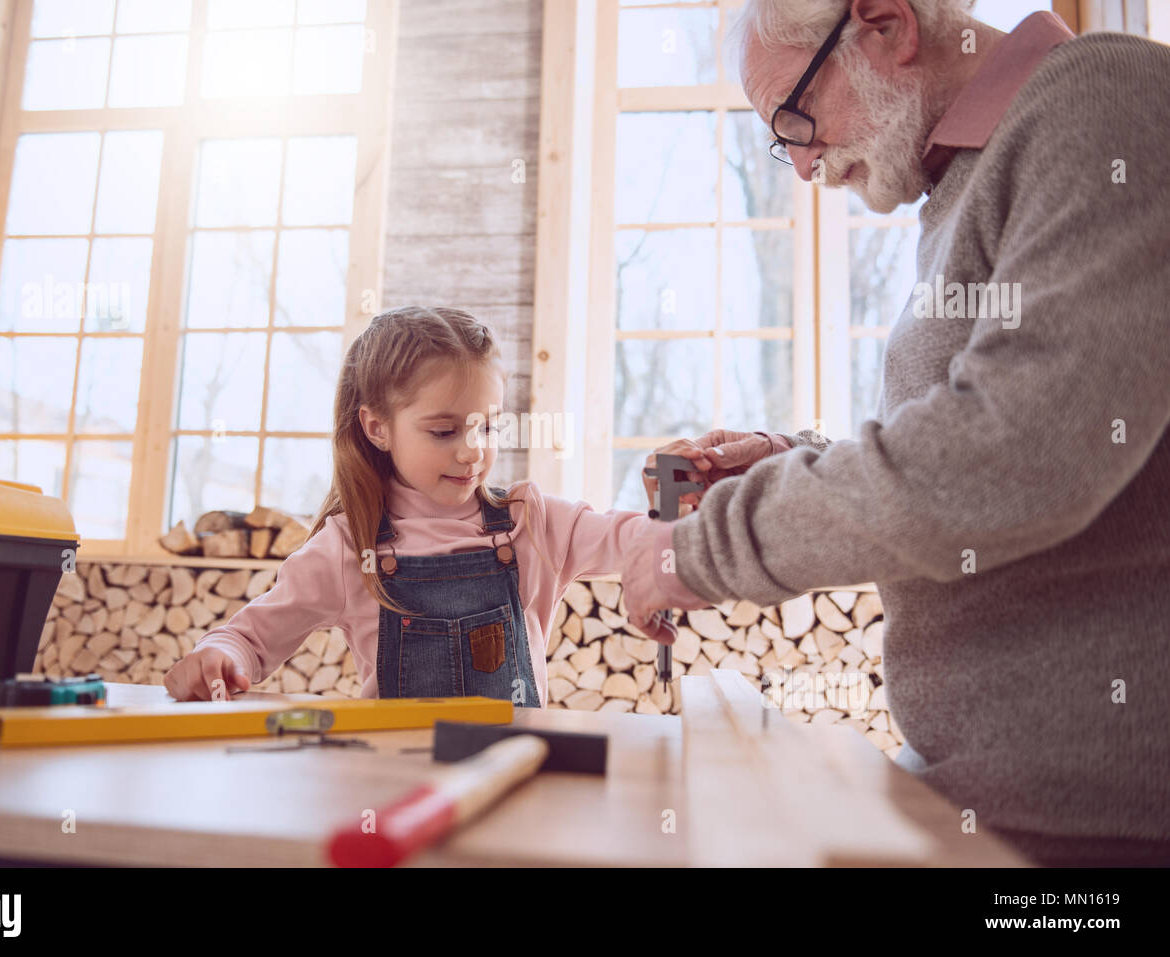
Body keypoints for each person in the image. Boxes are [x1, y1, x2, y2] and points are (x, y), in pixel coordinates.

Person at [621, 0, 1170, 866]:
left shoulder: (1104, 100)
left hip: (1095, 832)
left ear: (884, 24)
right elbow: (956, 448)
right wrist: (791, 460)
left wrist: (704, 549)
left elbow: (1017, 452)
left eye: (797, 121)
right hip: (989, 801)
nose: (803, 166)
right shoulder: (961, 184)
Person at [164, 306, 692, 708]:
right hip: (392, 789)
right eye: (443, 430)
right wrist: (221, 656)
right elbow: (249, 638)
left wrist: (680, 517)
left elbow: (631, 539)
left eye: (488, 426)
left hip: (513, 786)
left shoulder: (533, 524)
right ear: (377, 428)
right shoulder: (351, 547)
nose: (472, 450)